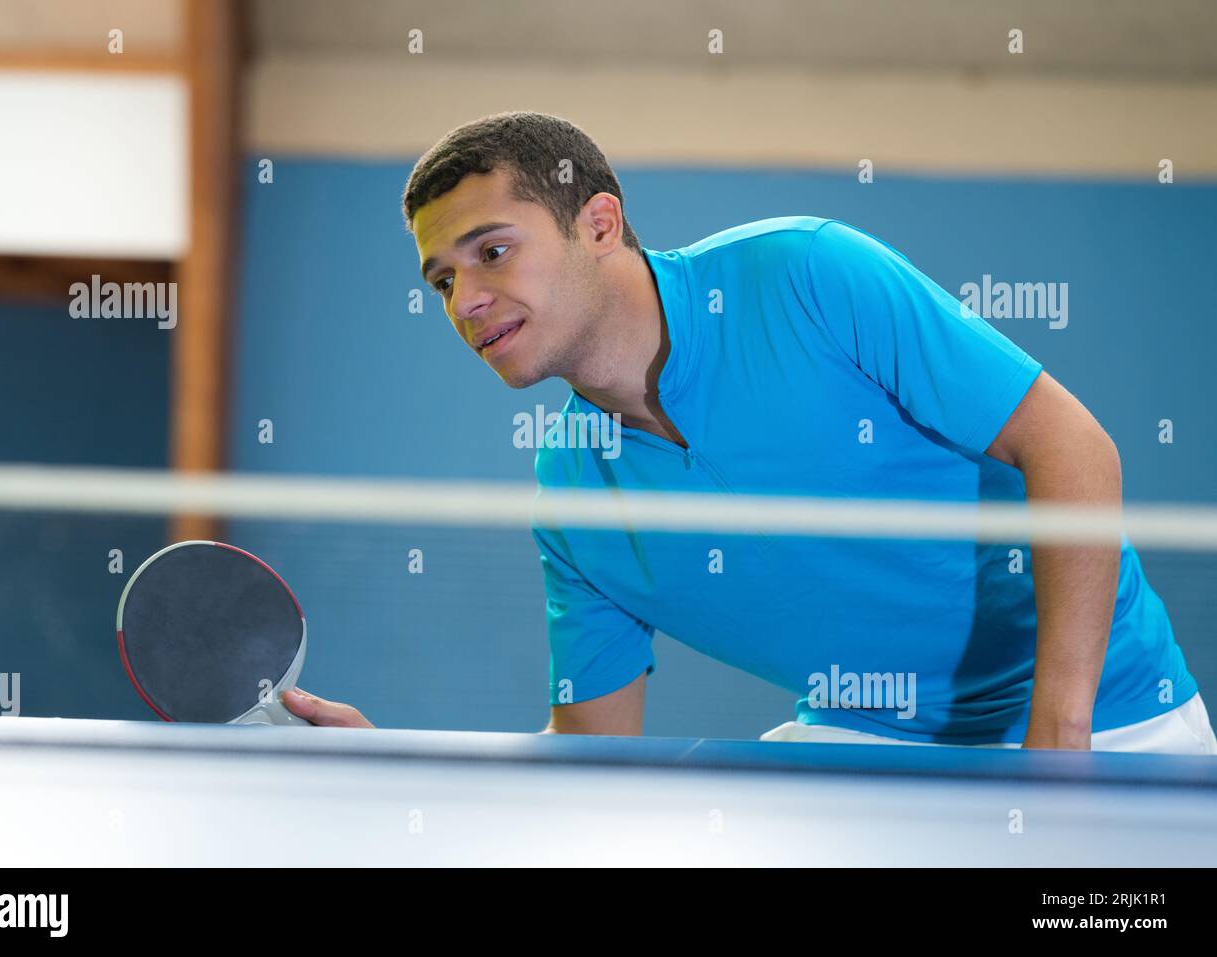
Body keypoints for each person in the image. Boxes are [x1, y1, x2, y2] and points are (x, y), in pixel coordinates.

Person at [283, 111, 1214, 754]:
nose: (468, 300)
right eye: (441, 280)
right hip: (871, 737)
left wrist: (1058, 745)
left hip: (1109, 719)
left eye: (493, 251)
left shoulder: (806, 274)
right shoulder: (574, 499)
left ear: (598, 223)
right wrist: (395, 767)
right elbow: (589, 764)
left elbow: (1075, 446)